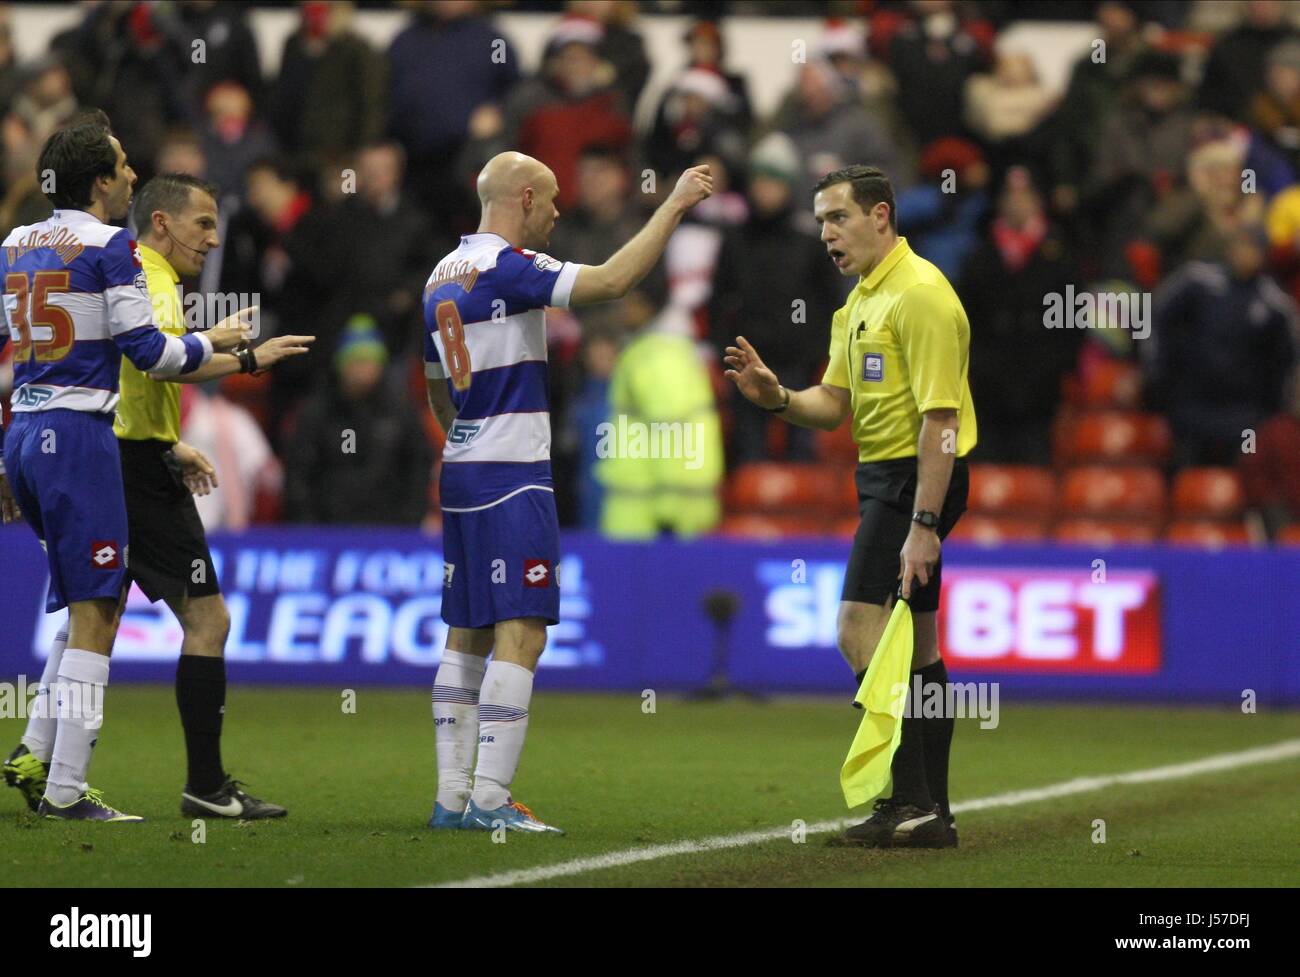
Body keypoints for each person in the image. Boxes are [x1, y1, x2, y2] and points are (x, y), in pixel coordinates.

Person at [423, 151, 712, 833]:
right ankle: (491, 798)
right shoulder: (511, 268)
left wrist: (466, 436)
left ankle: (449, 796)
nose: (557, 212)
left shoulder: (440, 273)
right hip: (512, 474)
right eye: (550, 201)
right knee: (521, 630)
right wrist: (671, 205)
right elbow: (613, 280)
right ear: (524, 197)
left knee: (465, 631)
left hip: (462, 470)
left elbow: (437, 385)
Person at [0, 113, 249, 822]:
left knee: (89, 604)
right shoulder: (112, 247)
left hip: (25, 432)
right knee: (96, 610)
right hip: (80, 437)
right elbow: (152, 354)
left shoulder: (15, 243)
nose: (134, 175)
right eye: (124, 165)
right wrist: (223, 345)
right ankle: (68, 789)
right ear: (100, 180)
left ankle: (43, 761)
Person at [724, 165, 976, 849]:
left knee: (857, 632)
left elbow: (942, 422)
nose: (827, 233)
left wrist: (923, 525)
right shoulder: (859, 301)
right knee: (919, 650)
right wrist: (777, 396)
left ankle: (908, 800)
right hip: (887, 477)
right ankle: (933, 812)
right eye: (821, 220)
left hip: (913, 481)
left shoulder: (920, 295)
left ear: (882, 216)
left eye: (838, 217)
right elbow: (832, 406)